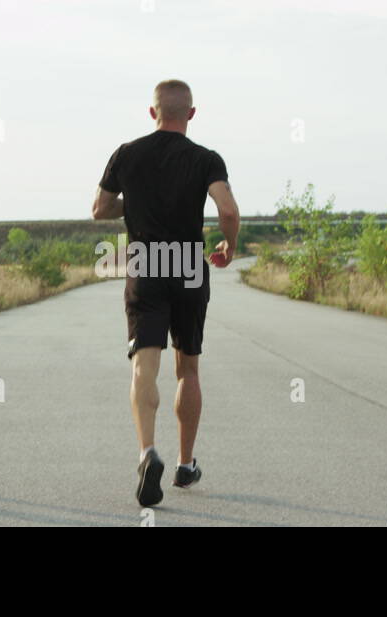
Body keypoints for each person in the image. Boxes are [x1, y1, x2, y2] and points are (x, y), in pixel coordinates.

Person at [92, 79, 241, 507]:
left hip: (147, 266)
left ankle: (147, 452)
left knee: (144, 364)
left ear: (152, 112)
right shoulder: (205, 159)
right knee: (187, 369)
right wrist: (229, 245)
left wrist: (136, 202)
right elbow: (227, 209)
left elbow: (101, 209)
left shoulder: (127, 153)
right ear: (191, 114)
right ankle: (185, 462)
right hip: (190, 267)